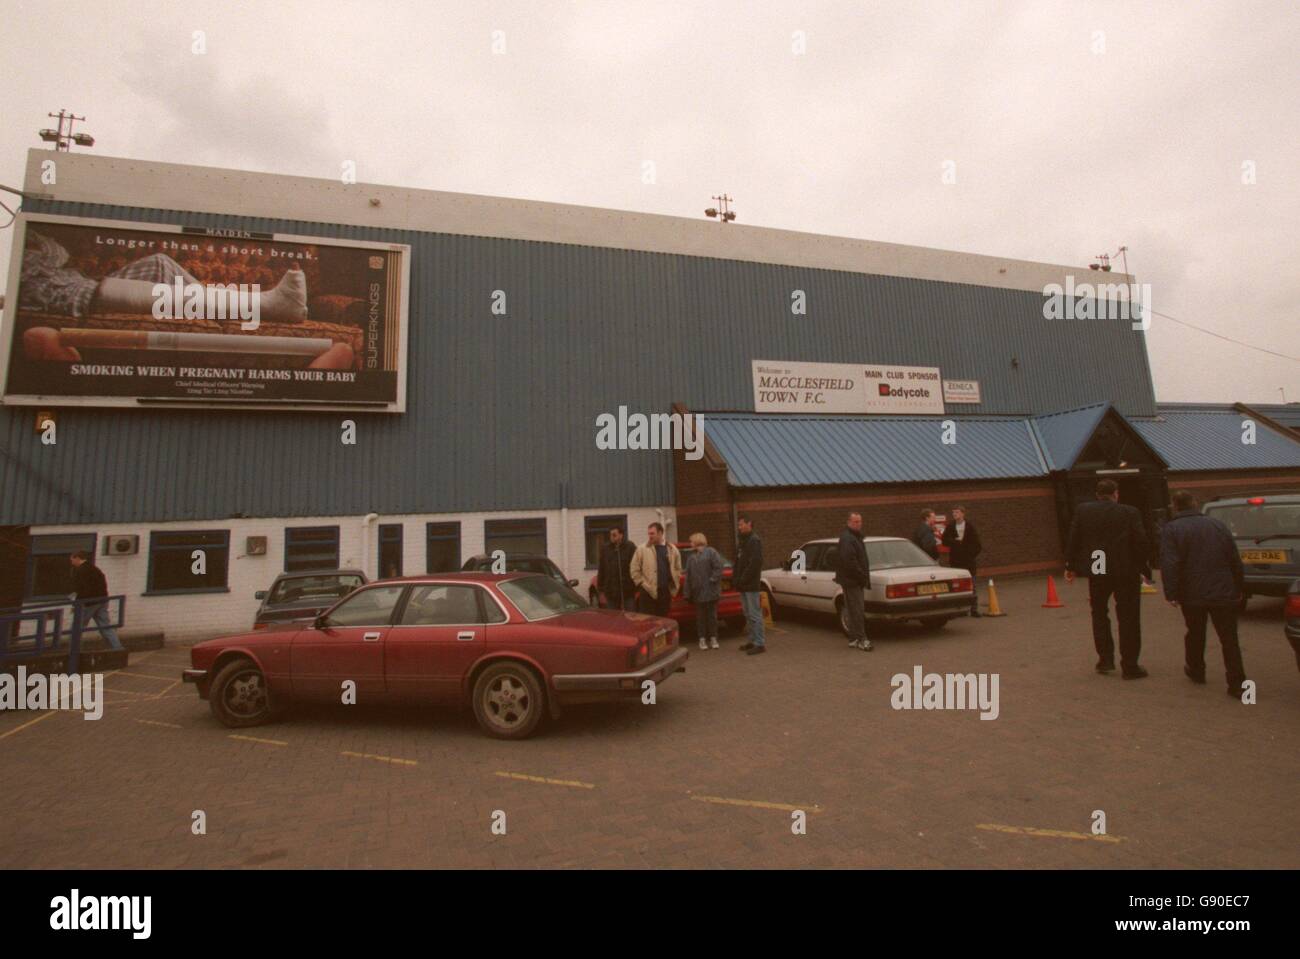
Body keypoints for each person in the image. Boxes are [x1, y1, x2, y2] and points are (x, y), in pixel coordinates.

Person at [1160, 489, 1250, 698]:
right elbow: (1234, 558)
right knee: (1229, 638)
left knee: (1195, 632)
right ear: (1195, 504)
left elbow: (1170, 563)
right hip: (1223, 591)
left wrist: (1171, 592)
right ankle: (1237, 683)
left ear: (1175, 506)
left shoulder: (1172, 529)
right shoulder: (1218, 525)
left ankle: (1196, 669)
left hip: (1192, 593)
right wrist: (1239, 587)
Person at [1065, 479, 1150, 678]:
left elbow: (1074, 538)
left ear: (1097, 494)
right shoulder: (1130, 512)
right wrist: (1142, 566)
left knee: (1099, 613)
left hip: (1098, 563)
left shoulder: (1083, 510)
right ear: (1116, 494)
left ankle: (1105, 660)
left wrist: (1070, 565)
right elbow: (1140, 541)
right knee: (1128, 616)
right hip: (1124, 566)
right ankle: (1130, 665)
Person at [69, 550, 122, 650]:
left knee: (76, 627)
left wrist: (75, 603)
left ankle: (73, 652)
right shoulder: (95, 569)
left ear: (77, 558)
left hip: (89, 603)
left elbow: (81, 589)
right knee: (105, 626)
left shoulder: (80, 570)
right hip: (102, 600)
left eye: (72, 560)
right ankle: (117, 648)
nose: (71, 563)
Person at [835, 512, 873, 651]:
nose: (858, 524)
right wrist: (862, 576)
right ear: (849, 522)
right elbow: (850, 561)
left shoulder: (854, 537)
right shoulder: (848, 538)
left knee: (852, 610)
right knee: (857, 610)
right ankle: (862, 639)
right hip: (852, 580)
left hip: (851, 580)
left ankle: (853, 638)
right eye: (855, 521)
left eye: (860, 521)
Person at [682, 533, 724, 650]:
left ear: (697, 541)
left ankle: (713, 638)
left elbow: (719, 567)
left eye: (691, 542)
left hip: (711, 591)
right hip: (698, 593)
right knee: (700, 617)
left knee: (712, 616)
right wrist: (687, 592)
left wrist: (712, 579)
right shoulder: (691, 557)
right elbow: (688, 576)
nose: (690, 544)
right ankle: (702, 639)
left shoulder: (711, 552)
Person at [630, 522, 681, 617]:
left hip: (665, 592)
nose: (650, 536)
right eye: (649, 533)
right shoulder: (642, 549)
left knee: (663, 621)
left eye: (652, 533)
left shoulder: (672, 549)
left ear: (660, 533)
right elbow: (634, 569)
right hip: (647, 592)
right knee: (648, 622)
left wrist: (675, 580)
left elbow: (678, 568)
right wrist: (641, 583)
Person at [941, 506, 983, 617]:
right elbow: (944, 541)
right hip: (955, 561)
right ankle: (959, 610)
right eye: (953, 512)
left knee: (972, 585)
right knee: (957, 585)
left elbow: (977, 545)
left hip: (968, 562)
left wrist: (970, 555)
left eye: (957, 512)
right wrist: (954, 542)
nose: (954, 514)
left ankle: (974, 609)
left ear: (963, 514)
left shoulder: (969, 527)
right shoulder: (950, 526)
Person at [734, 515, 766, 655]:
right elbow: (739, 561)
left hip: (750, 584)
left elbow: (755, 563)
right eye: (738, 525)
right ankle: (752, 640)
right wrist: (737, 578)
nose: (739, 527)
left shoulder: (754, 541)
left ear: (749, 524)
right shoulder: (743, 541)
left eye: (741, 524)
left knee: (754, 614)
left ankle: (760, 643)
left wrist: (743, 578)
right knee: (747, 614)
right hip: (743, 584)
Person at [596, 525, 637, 611]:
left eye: (614, 535)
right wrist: (600, 587)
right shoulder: (605, 549)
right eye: (610, 535)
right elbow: (602, 568)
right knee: (614, 617)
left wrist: (636, 585)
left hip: (627, 590)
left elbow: (636, 566)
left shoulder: (630, 547)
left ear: (621, 535)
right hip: (611, 591)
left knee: (630, 615)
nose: (611, 537)